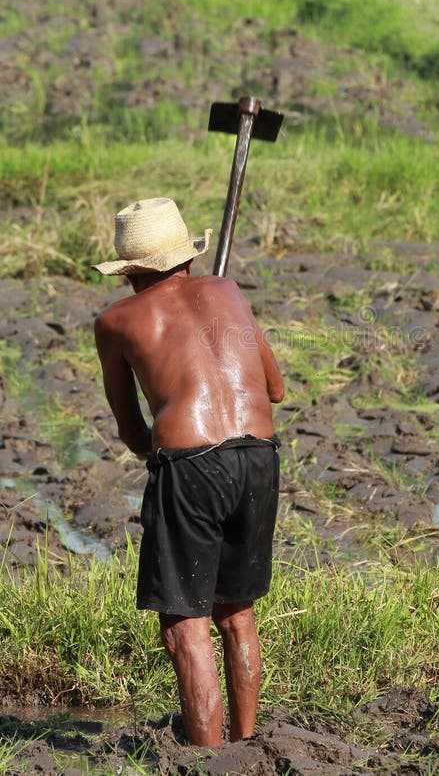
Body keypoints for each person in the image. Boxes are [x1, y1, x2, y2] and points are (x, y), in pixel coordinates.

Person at [93, 197, 284, 747]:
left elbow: (132, 428)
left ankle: (207, 761)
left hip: (191, 466)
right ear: (187, 256)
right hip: (259, 456)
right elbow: (274, 389)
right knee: (237, 614)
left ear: (129, 270)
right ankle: (246, 747)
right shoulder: (227, 291)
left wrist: (172, 463)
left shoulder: (115, 320)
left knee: (185, 630)